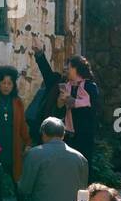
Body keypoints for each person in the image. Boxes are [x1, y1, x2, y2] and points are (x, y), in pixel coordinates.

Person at [31, 45, 99, 175]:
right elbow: (47, 73)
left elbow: (92, 109)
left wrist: (72, 101)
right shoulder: (63, 85)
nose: (66, 69)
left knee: (83, 169)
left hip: (84, 136)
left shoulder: (89, 87)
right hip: (66, 135)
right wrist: (60, 102)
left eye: (69, 67)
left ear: (78, 69)